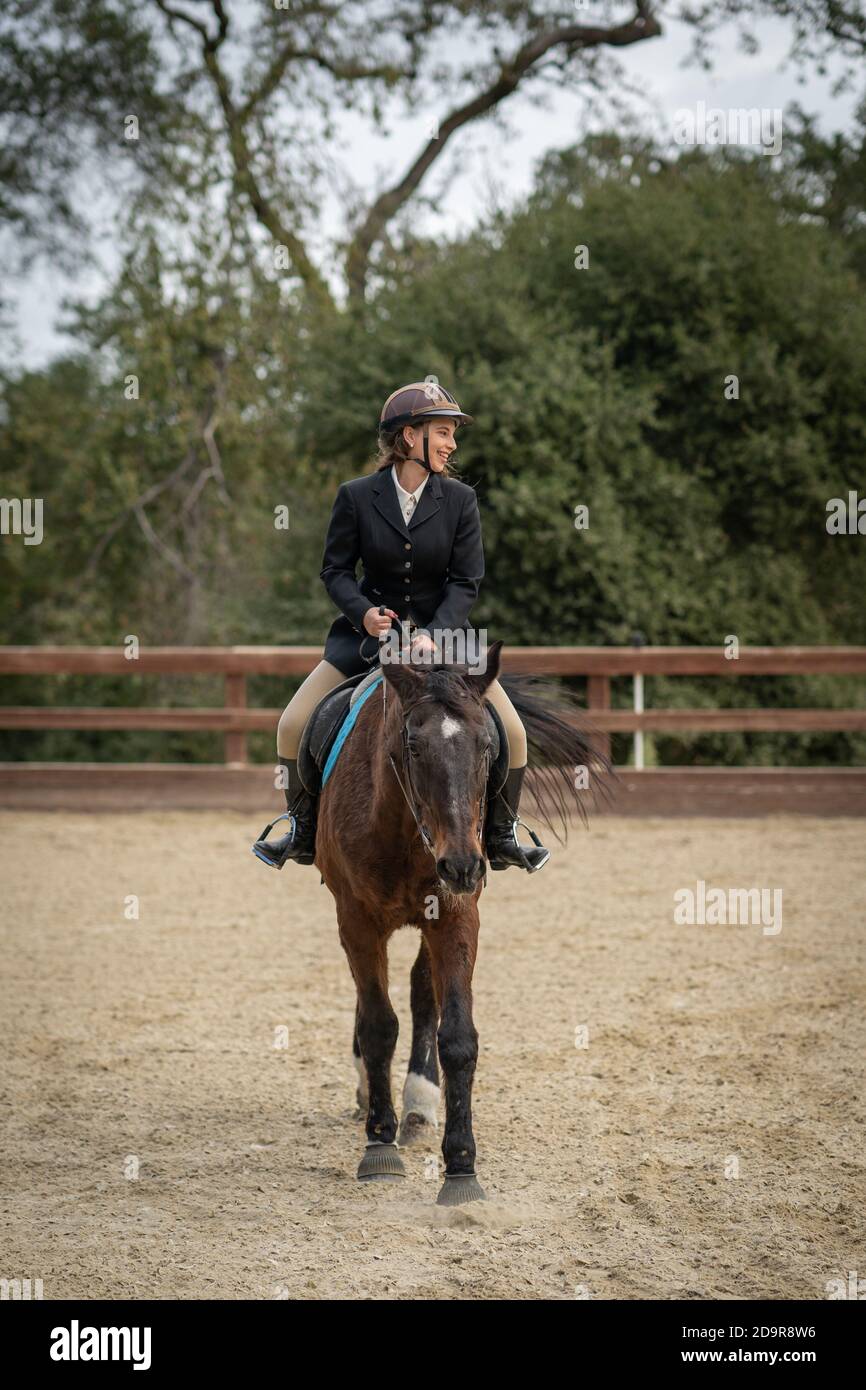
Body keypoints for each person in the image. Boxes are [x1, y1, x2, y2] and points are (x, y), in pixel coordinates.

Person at [252, 381, 548, 873]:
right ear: (409, 436)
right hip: (367, 641)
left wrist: (436, 630)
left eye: (452, 434)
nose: (452, 444)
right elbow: (336, 571)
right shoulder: (356, 497)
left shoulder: (459, 500)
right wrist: (363, 613)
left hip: (450, 639)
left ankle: (501, 834)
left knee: (512, 733)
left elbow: (467, 579)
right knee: (290, 724)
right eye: (443, 432)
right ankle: (301, 829)